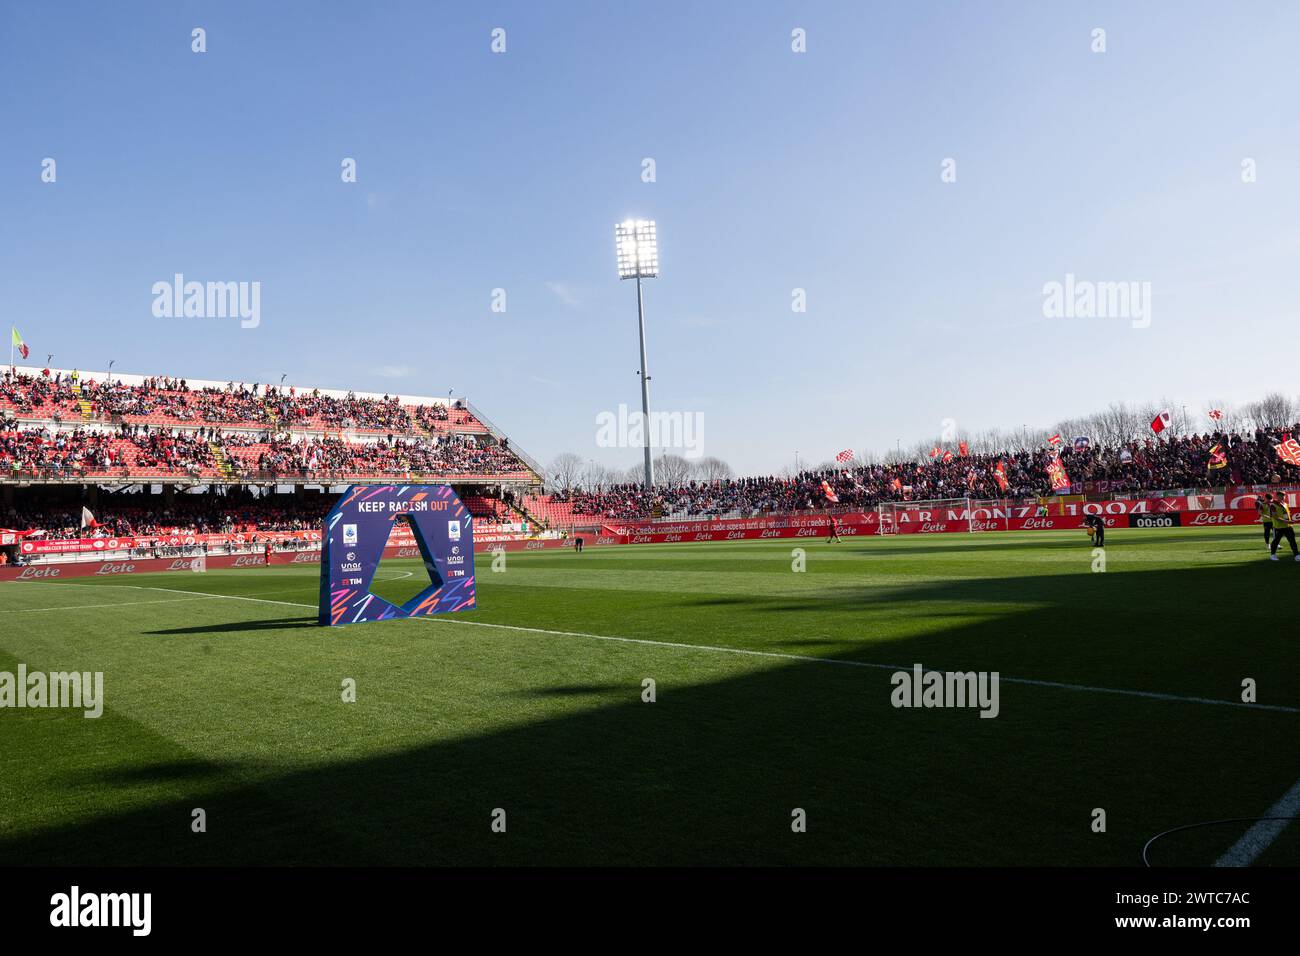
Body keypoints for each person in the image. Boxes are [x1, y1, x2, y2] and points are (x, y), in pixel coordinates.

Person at [1268, 496, 1298, 561]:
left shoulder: (1285, 504)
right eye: (1280, 496)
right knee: (1276, 541)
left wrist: (1289, 521)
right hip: (1278, 527)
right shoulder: (1273, 505)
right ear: (1277, 497)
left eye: (1283, 496)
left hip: (1288, 526)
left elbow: (1287, 514)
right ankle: (1273, 555)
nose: (1282, 497)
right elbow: (1275, 517)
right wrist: (1287, 521)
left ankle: (1296, 555)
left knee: (1292, 541)